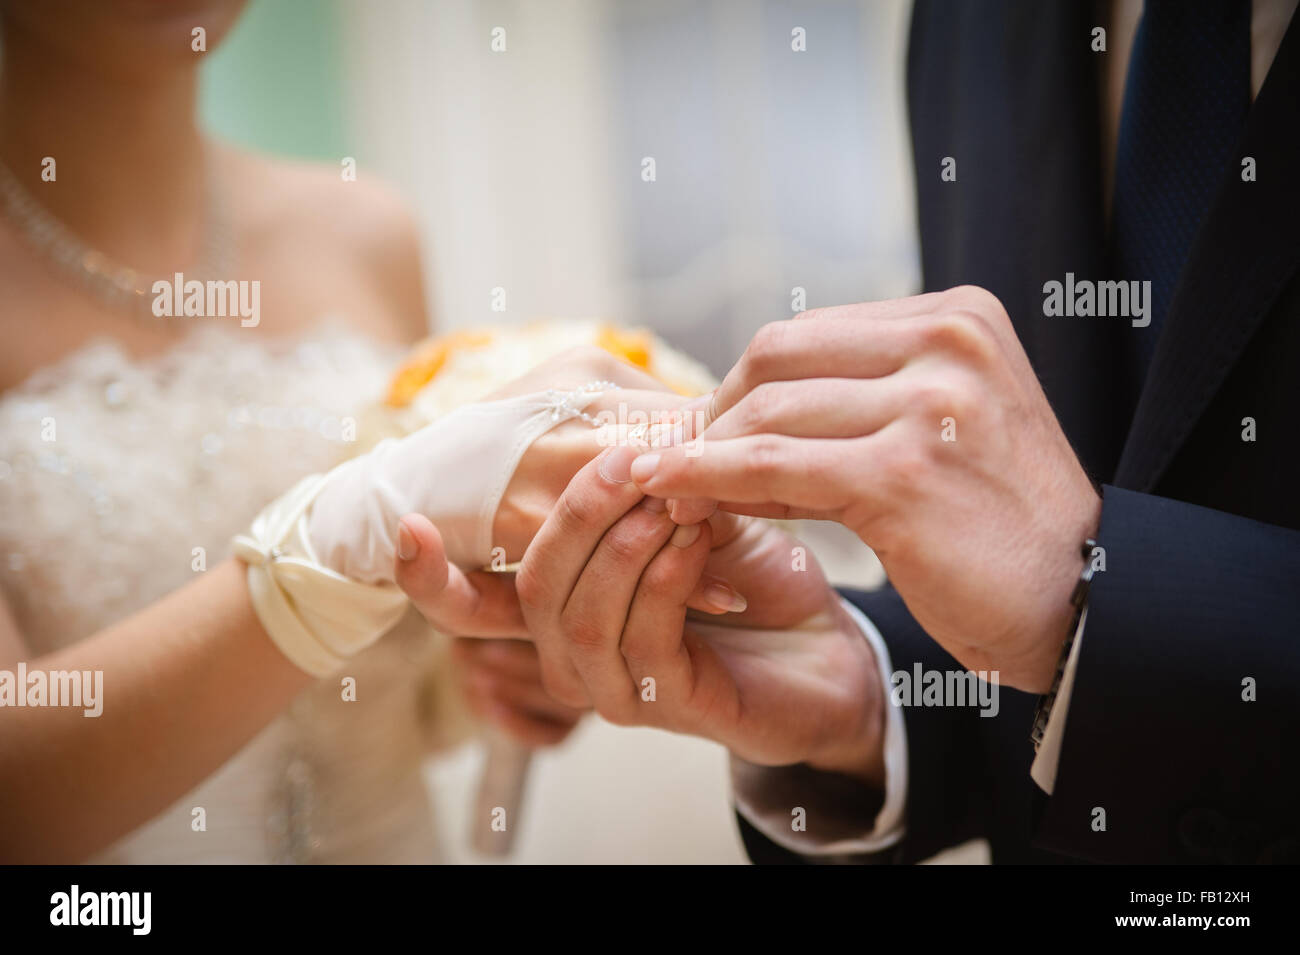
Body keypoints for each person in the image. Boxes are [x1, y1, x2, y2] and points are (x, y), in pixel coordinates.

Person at [496, 0, 1300, 864]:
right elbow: (1033, 632)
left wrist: (1096, 595)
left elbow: (1078, 579)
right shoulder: (965, 23)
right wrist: (868, 695)